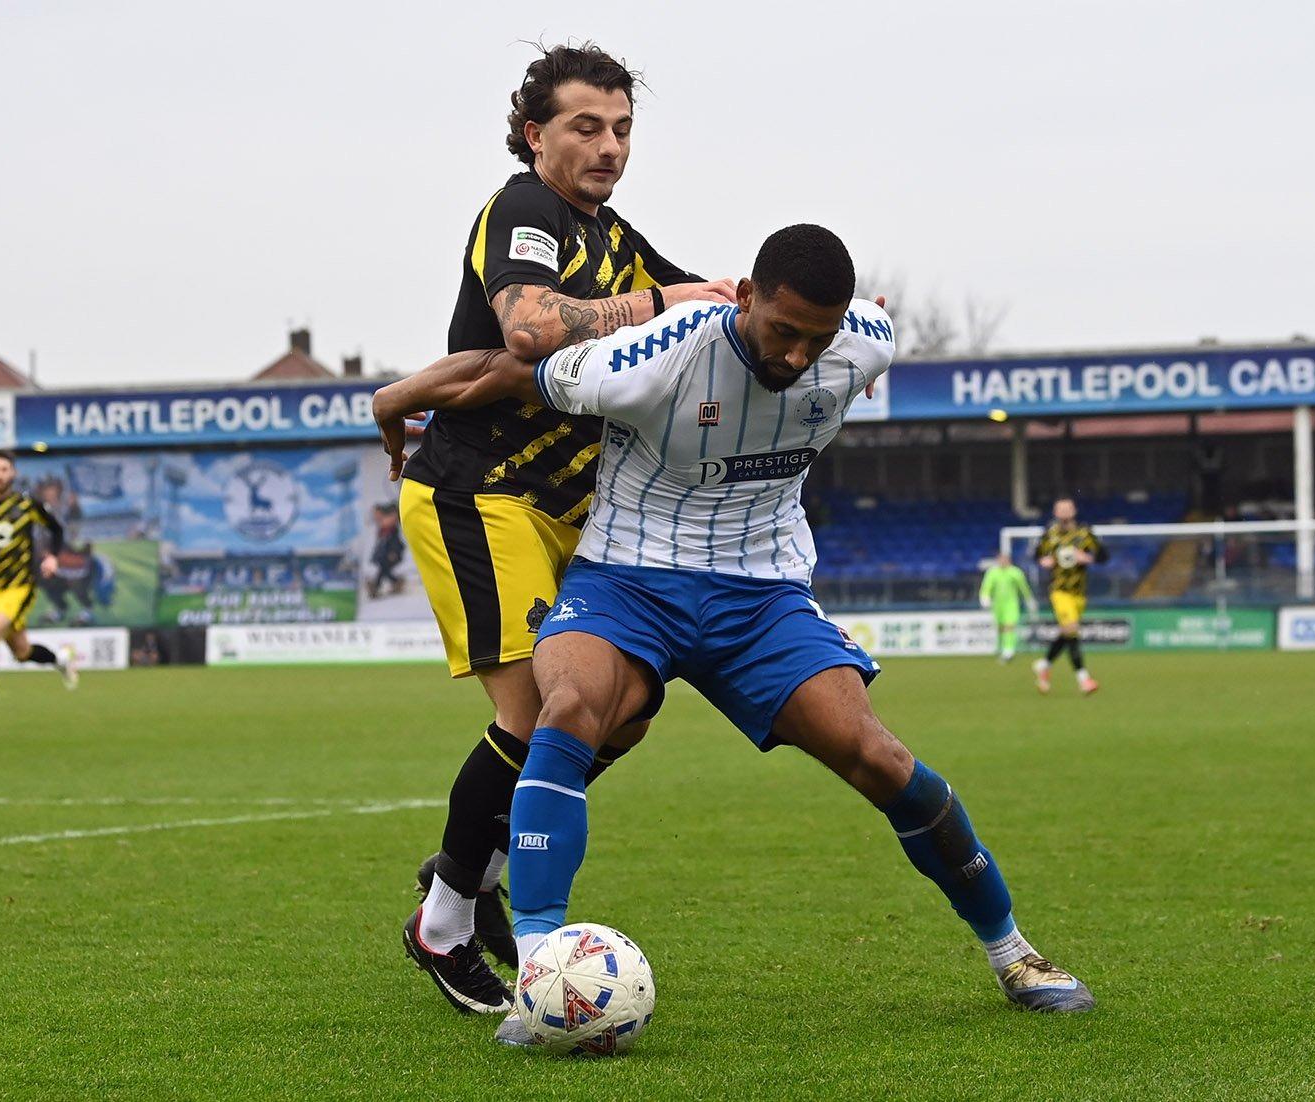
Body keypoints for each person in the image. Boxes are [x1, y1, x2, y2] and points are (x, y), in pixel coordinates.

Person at [376, 225, 1095, 1045]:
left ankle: (1015, 955)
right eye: (782, 331)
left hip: (760, 596)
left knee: (880, 759)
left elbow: (864, 331)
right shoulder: (650, 356)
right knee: (567, 706)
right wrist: (398, 398)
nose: (796, 355)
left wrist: (837, 349)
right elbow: (507, 369)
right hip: (627, 579)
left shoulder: (863, 341)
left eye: (816, 339)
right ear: (744, 297)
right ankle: (542, 975)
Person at [397, 41, 736, 1013]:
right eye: (587, 126)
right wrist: (663, 301)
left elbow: (708, 301)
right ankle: (446, 918)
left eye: (623, 128)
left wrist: (804, 316)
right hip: (479, 496)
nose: (610, 146)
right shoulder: (525, 211)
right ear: (536, 133)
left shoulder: (614, 233)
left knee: (624, 707)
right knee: (535, 714)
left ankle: (479, 861)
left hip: (570, 509)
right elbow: (531, 328)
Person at [0, 452, 79, 737]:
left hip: (20, 586)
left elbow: (56, 528)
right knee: (22, 652)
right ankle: (59, 659)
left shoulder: (27, 504)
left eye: (4, 469)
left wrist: (51, 556)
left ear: (12, 473)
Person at [1031, 498, 1106, 695]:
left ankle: (1045, 665)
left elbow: (1104, 556)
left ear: (1074, 511)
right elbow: (1036, 555)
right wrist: (1043, 561)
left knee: (1067, 633)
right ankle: (1084, 679)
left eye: (1067, 509)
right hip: (1059, 591)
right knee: (1072, 630)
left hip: (1079, 594)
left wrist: (1087, 558)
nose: (1064, 512)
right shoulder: (1049, 534)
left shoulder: (1085, 533)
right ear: (1055, 512)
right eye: (1060, 509)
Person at [979, 552, 1036, 661]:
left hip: (1011, 604)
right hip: (997, 605)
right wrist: (984, 597)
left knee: (1009, 626)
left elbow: (1023, 587)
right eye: (1000, 559)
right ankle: (1001, 648)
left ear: (1009, 560)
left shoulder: (1015, 572)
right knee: (1001, 627)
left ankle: (1009, 650)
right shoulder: (992, 572)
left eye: (1004, 559)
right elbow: (986, 586)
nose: (1002, 562)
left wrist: (1029, 599)